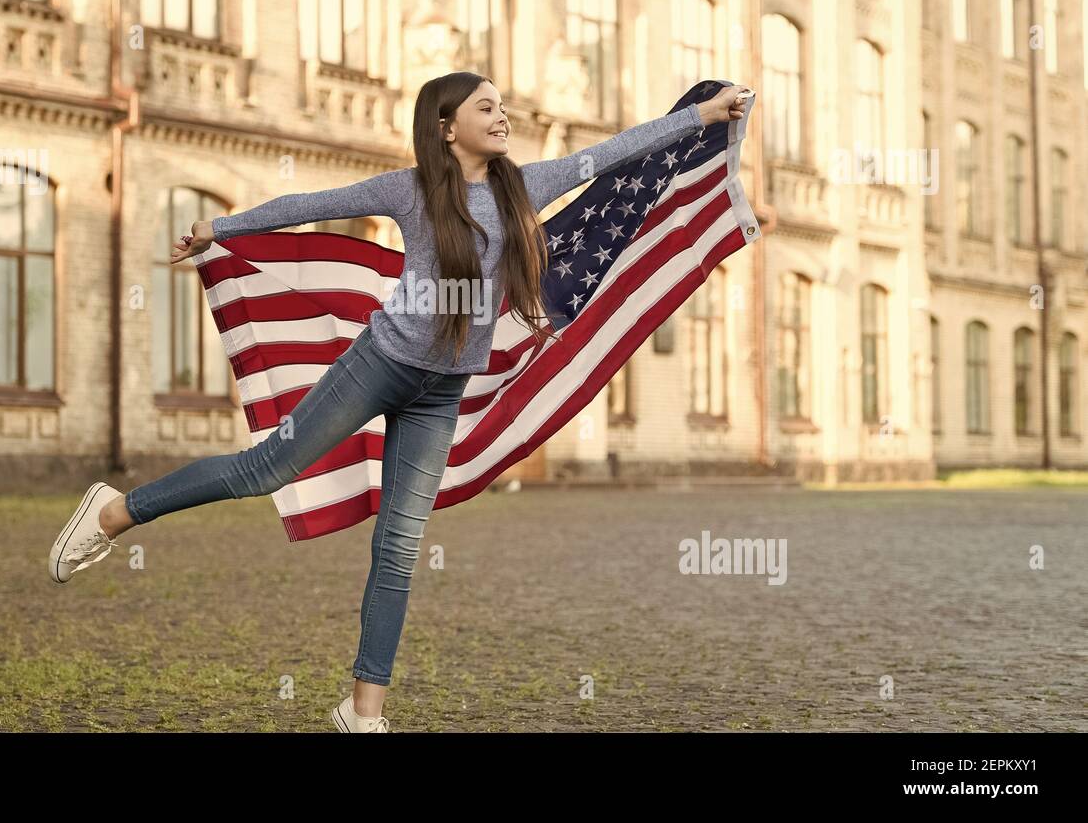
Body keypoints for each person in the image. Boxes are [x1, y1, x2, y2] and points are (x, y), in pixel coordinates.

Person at [48, 72, 750, 732]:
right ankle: (112, 511)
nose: (501, 115)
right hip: (380, 364)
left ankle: (363, 711)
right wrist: (219, 230)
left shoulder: (522, 188)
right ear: (446, 128)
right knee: (263, 470)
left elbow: (612, 152)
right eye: (485, 106)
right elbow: (311, 206)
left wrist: (701, 115)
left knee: (400, 549)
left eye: (501, 104)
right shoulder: (412, 191)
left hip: (440, 392)